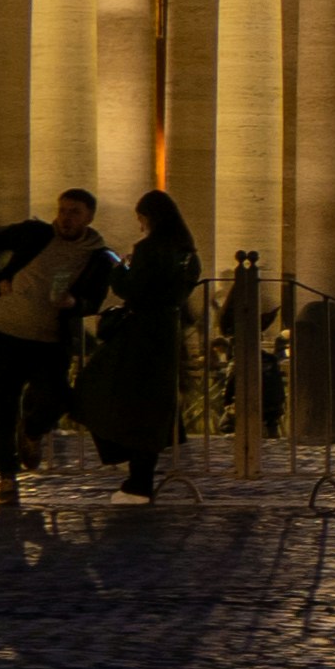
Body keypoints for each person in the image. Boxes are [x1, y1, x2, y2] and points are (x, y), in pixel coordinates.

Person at [0, 183, 97, 480]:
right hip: (4, 329)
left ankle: (32, 431)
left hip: (49, 339)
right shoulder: (35, 233)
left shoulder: (96, 253)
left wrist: (75, 303)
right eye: (62, 210)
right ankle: (6, 474)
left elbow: (94, 297)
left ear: (89, 217)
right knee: (2, 404)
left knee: (57, 397)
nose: (66, 218)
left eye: (75, 212)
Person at [85, 192, 195, 500]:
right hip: (167, 334)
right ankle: (139, 478)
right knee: (151, 408)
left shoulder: (148, 249)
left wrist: (120, 269)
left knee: (95, 388)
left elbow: (131, 289)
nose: (140, 226)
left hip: (139, 333)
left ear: (151, 218)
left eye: (141, 219)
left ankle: (129, 468)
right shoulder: (188, 252)